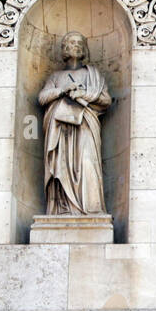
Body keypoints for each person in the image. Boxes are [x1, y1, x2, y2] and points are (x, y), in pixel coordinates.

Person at [38, 31, 112, 215]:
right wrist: (62, 90)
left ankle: (91, 208)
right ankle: (62, 209)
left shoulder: (93, 75)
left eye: (80, 42)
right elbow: (42, 98)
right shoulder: (56, 77)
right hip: (60, 128)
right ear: (64, 48)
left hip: (85, 124)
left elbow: (106, 100)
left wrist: (83, 94)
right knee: (61, 165)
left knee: (87, 162)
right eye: (71, 42)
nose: (76, 45)